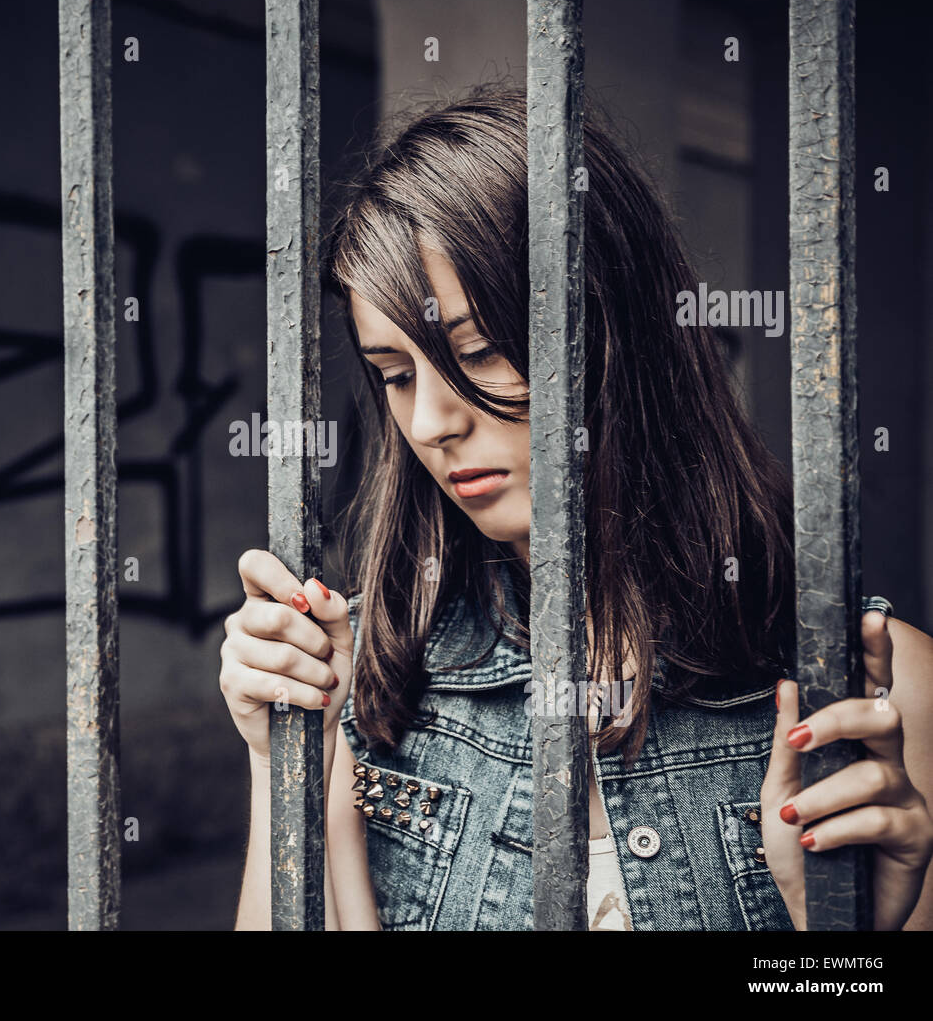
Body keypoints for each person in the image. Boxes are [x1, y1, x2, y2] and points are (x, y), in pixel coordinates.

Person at [219, 84, 933, 931]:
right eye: (396, 374)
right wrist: (287, 764)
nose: (431, 423)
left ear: (614, 335)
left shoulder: (870, 690)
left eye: (477, 353)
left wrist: (843, 946)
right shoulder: (372, 676)